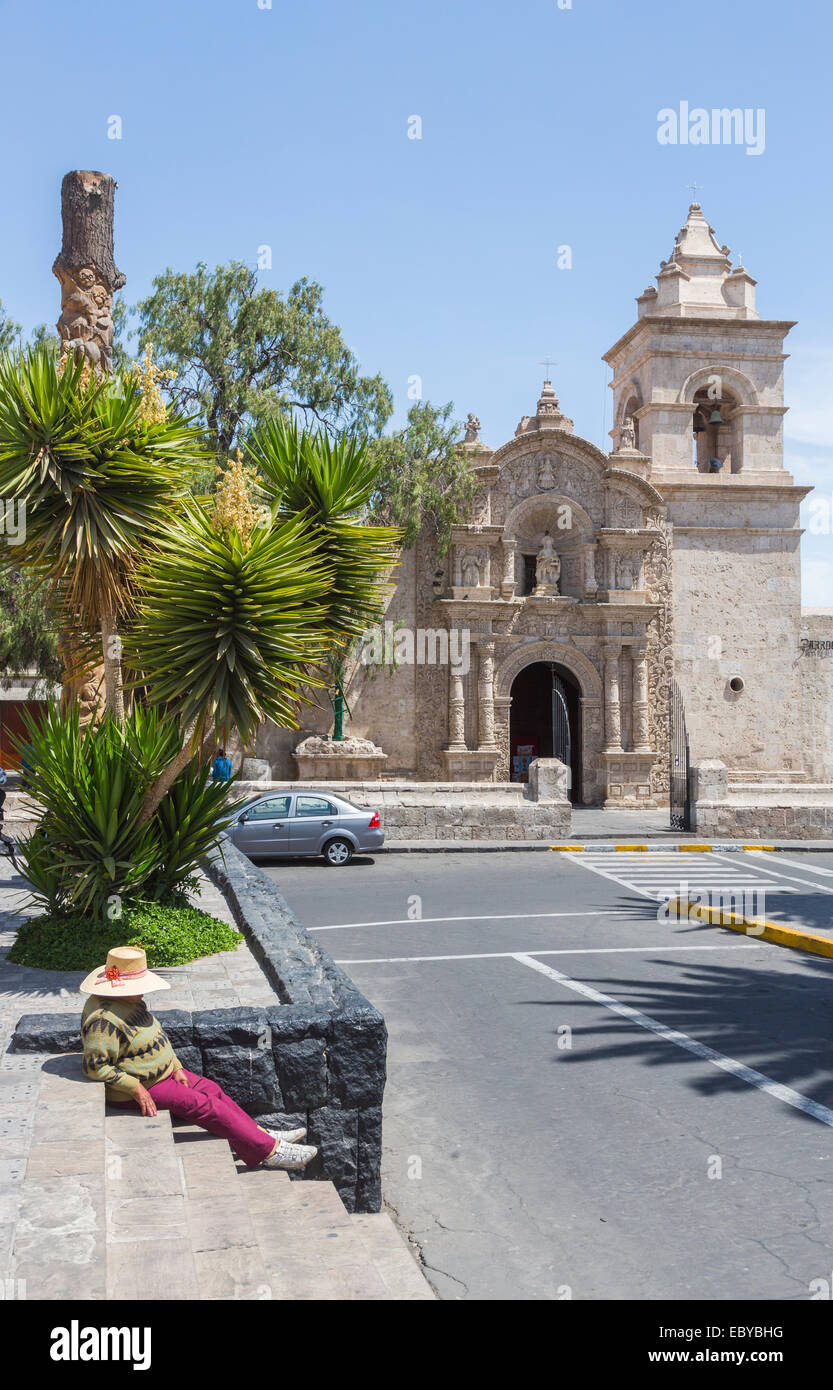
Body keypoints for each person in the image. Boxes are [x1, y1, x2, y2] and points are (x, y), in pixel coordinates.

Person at [80, 945, 317, 1171]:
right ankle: (268, 1151)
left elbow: (157, 1038)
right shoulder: (104, 1019)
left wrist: (176, 1067)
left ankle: (257, 1133)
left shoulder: (131, 1003)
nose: (144, 991)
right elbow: (95, 1067)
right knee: (204, 1106)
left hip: (162, 1075)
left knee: (211, 1089)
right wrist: (135, 1088)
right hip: (140, 1086)